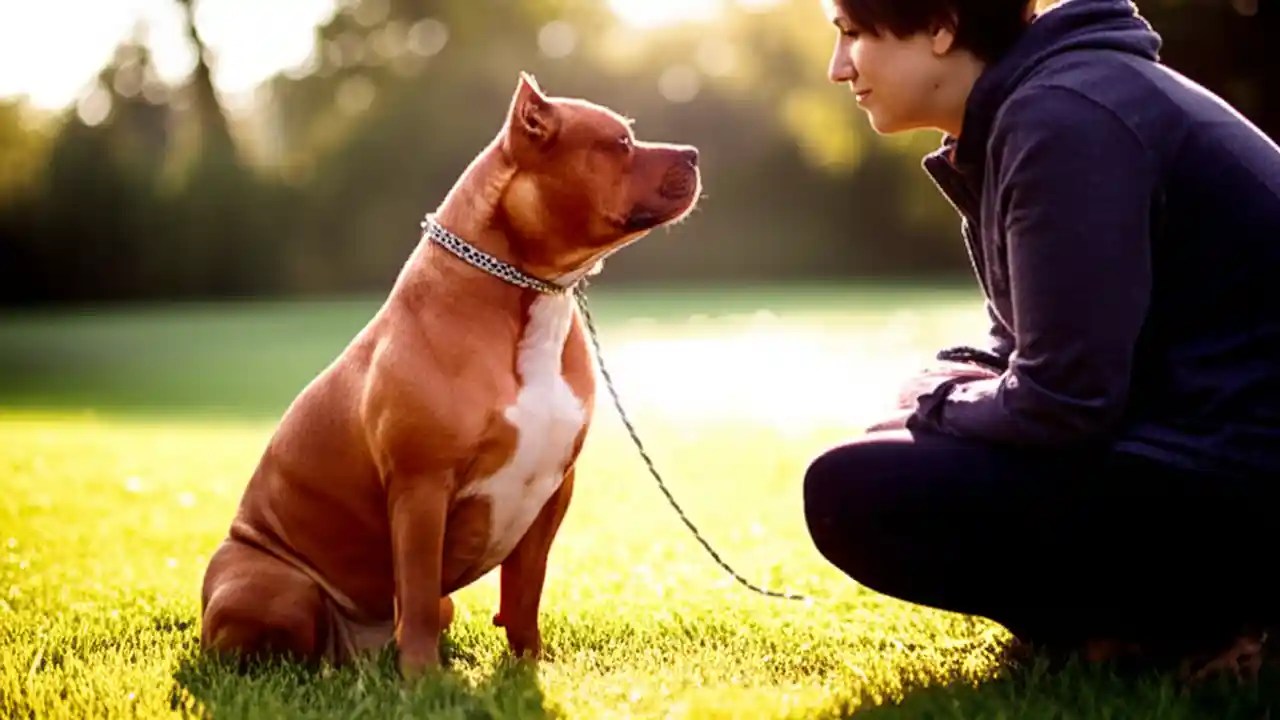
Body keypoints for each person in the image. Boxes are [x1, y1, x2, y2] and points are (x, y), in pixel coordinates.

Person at [802, 0, 1280, 674]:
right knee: (888, 446)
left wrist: (938, 405)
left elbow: (1064, 400)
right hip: (1200, 445)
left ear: (943, 25)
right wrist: (940, 393)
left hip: (1239, 474)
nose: (837, 68)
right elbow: (1024, 348)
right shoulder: (1036, 109)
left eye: (853, 34)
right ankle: (1131, 631)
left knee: (849, 488)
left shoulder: (1064, 117)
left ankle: (1190, 629)